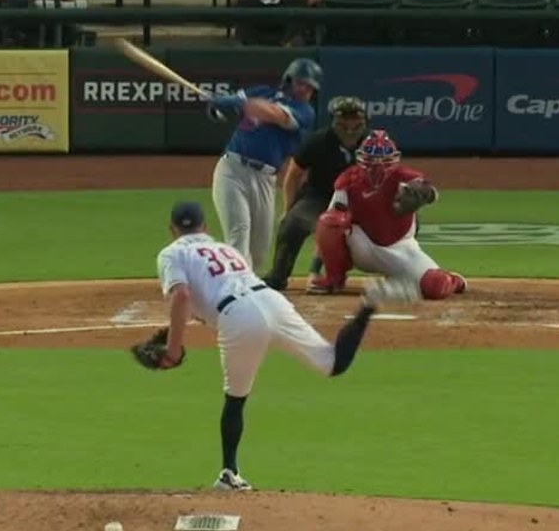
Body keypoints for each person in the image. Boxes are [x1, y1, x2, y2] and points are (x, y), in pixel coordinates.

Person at [147, 199, 393, 491]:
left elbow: (183, 297)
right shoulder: (224, 249)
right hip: (273, 301)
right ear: (205, 227)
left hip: (239, 319)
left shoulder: (170, 254)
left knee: (235, 399)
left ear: (172, 229)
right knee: (332, 364)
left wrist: (174, 350)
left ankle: (229, 472)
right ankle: (365, 308)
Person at [313, 129, 469, 300]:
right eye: (372, 158)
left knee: (436, 286)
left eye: (383, 159)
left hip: (400, 248)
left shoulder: (405, 177)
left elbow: (430, 192)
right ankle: (335, 279)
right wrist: (315, 268)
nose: (377, 164)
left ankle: (454, 280)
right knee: (330, 220)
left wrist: (425, 193)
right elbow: (327, 228)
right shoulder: (348, 180)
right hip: (360, 245)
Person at [205, 58, 322, 274]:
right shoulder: (262, 92)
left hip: (265, 179)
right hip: (232, 169)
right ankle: (237, 291)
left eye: (310, 86)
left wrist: (241, 103)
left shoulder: (305, 112)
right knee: (239, 233)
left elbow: (273, 114)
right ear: (289, 80)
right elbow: (229, 108)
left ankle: (236, 277)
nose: (305, 89)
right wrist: (218, 105)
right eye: (301, 83)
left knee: (258, 252)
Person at [263, 95, 369, 293]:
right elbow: (294, 174)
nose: (350, 125)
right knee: (292, 224)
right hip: (318, 195)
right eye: (344, 119)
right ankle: (278, 276)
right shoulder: (318, 141)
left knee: (338, 227)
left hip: (358, 198)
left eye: (355, 119)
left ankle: (329, 276)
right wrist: (288, 208)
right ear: (334, 121)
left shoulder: (373, 143)